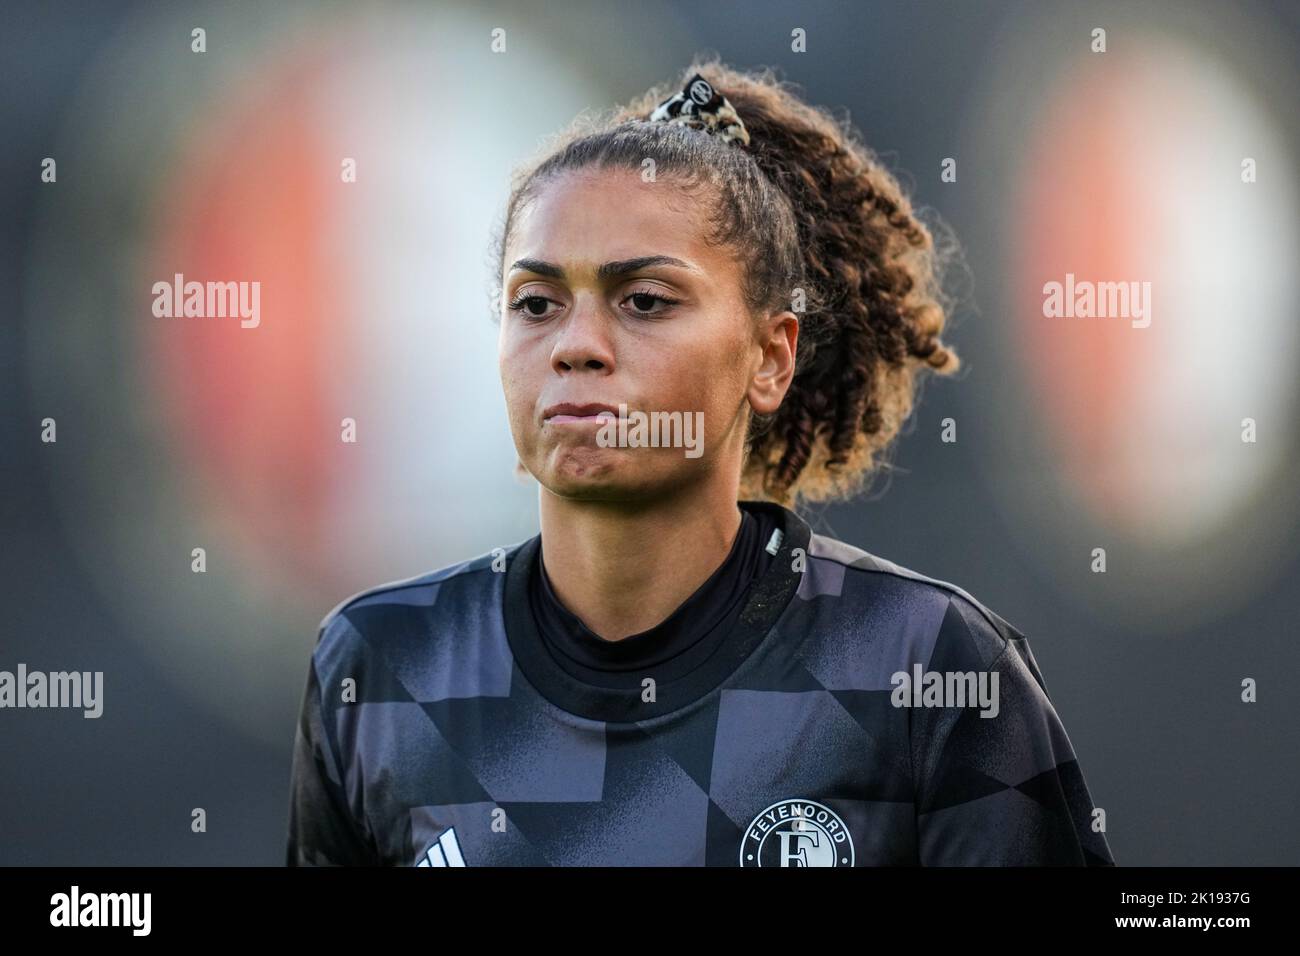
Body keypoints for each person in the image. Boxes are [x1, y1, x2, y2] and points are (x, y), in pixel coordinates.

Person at [286, 57, 1115, 867]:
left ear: (769, 358)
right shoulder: (382, 665)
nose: (575, 345)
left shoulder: (925, 664)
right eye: (535, 304)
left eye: (644, 301)